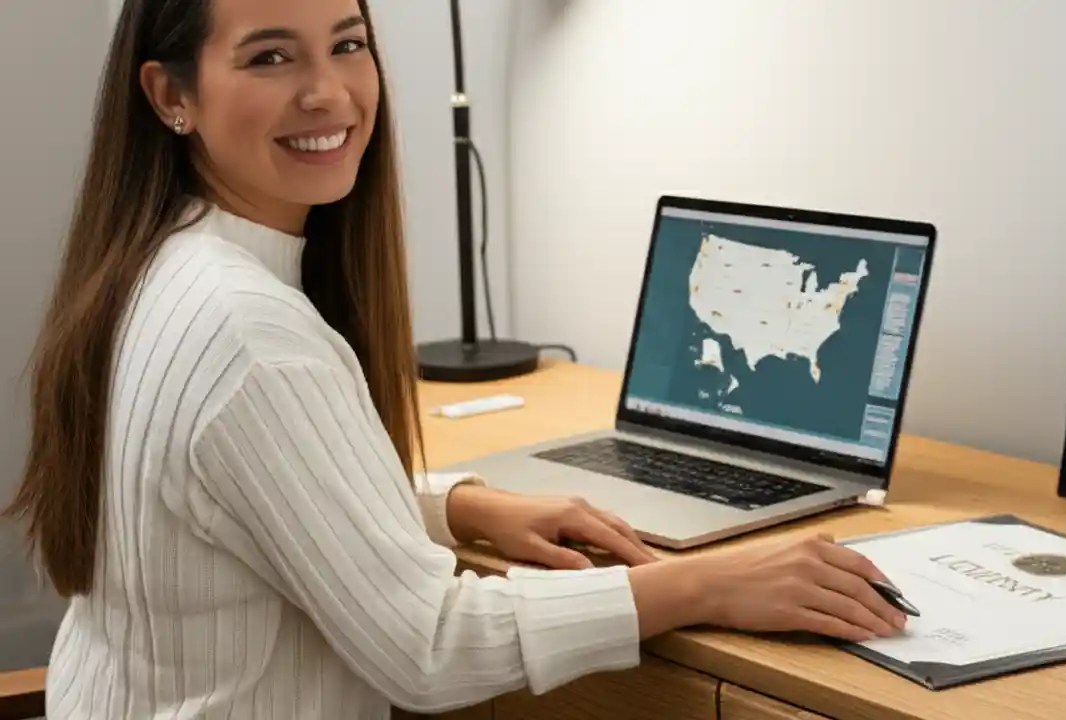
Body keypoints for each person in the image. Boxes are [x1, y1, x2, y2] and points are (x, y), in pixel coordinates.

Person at [3, 0, 907, 717]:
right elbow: (430, 648)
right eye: (270, 57)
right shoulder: (253, 337)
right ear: (171, 94)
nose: (329, 92)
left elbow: (252, 504)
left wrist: (460, 508)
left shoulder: (158, 266)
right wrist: (705, 581)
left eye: (348, 44)